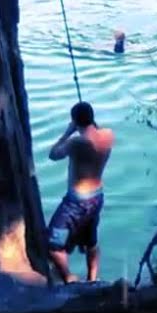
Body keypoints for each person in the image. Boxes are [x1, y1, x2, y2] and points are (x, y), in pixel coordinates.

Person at [45, 101, 115, 283]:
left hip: (76, 203)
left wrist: (68, 132)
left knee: (53, 245)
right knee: (91, 241)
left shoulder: (76, 142)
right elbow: (94, 133)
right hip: (97, 198)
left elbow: (53, 155)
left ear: (74, 121)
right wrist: (89, 125)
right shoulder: (108, 135)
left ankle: (69, 279)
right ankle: (93, 279)